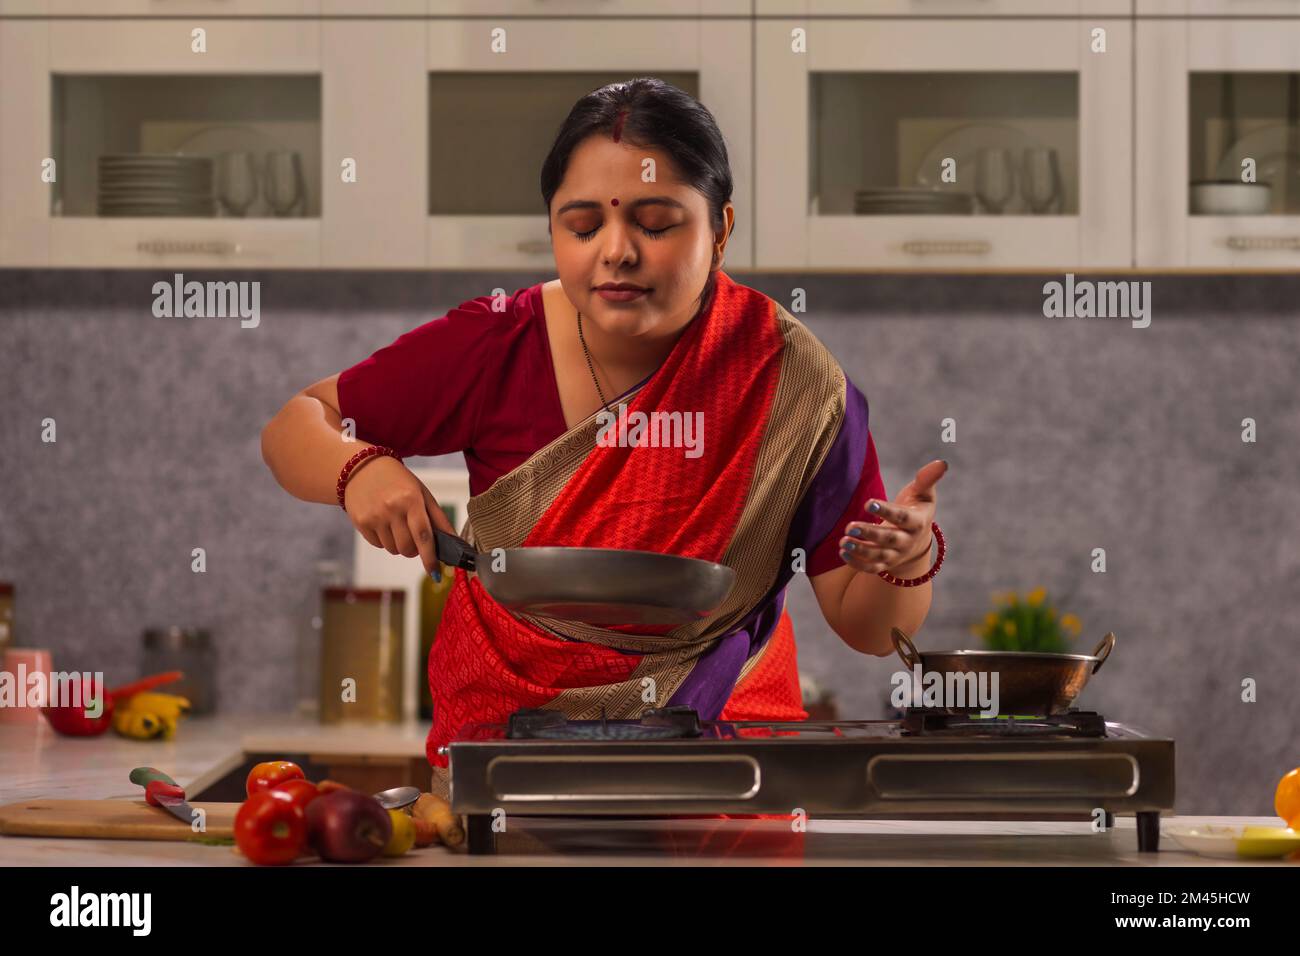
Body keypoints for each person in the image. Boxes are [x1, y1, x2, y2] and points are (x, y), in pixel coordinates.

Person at [261, 77, 948, 803]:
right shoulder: (499, 342)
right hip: (511, 766)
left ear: (720, 229)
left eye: (656, 223)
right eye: (582, 225)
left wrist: (906, 560)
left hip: (725, 773)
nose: (615, 252)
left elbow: (870, 629)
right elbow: (295, 426)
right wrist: (360, 470)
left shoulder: (790, 379)